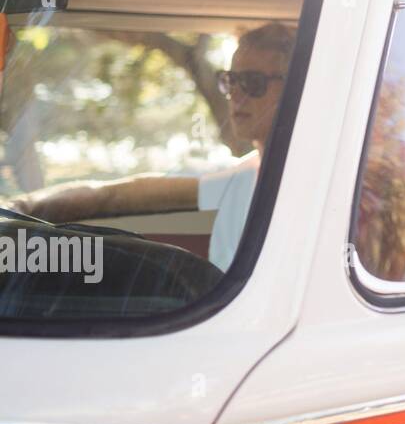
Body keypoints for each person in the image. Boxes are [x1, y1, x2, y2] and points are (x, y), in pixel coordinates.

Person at [11, 21, 295, 272]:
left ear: (297, 86)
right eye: (230, 80)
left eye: (253, 82)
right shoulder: (241, 177)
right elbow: (109, 197)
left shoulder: (313, 184)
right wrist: (20, 207)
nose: (236, 94)